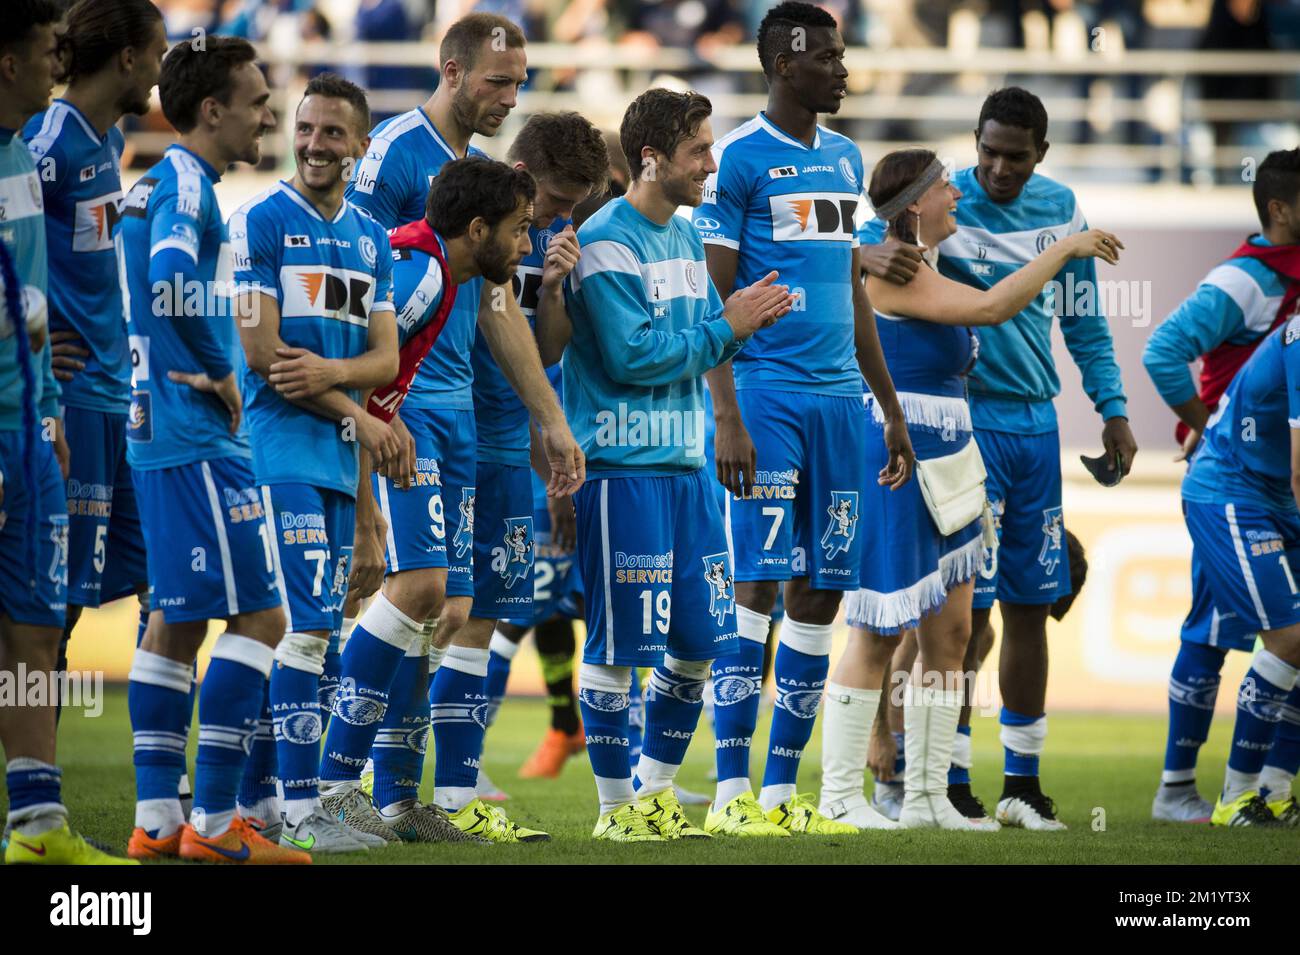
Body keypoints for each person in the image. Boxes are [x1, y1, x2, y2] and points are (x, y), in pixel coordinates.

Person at [861, 85, 1138, 830]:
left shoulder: (1061, 208)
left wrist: (1112, 408)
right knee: (950, 619)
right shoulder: (939, 199)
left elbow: (1084, 325)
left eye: (1015, 156)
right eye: (986, 151)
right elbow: (855, 243)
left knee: (1029, 605)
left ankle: (1022, 782)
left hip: (1035, 429)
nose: (997, 167)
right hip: (963, 423)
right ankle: (938, 777)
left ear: (1041, 154)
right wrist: (864, 246)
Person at [339, 13, 584, 843]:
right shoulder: (396, 155)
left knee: (453, 604)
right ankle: (322, 785)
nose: (510, 98)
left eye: (520, 83)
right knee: (414, 596)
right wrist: (368, 415)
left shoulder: (480, 176)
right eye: (497, 82)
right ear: (450, 71)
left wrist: (548, 417)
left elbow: (493, 307)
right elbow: (362, 284)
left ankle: (406, 797)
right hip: (402, 412)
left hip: (466, 420)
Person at [695, 1, 913, 836]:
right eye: (827, 56)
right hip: (766, 396)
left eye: (841, 53)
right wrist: (726, 412)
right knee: (756, 584)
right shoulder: (740, 162)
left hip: (837, 406)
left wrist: (886, 409)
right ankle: (728, 792)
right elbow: (719, 299)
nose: (843, 68)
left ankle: (782, 796)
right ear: (785, 65)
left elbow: (854, 291)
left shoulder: (846, 156)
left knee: (820, 591)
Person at [565, 87, 794, 842]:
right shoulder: (606, 239)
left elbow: (699, 341)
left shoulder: (689, 236)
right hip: (622, 465)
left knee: (701, 639)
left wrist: (732, 328)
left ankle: (654, 793)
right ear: (653, 158)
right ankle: (612, 811)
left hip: (687, 467)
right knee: (617, 647)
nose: (712, 162)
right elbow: (633, 357)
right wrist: (728, 326)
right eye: (699, 148)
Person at [119, 36, 307, 863]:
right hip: (197, 435)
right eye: (259, 100)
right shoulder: (186, 185)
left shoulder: (155, 184)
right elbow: (165, 280)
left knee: (173, 623)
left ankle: (159, 821)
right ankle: (216, 824)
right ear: (211, 111)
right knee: (263, 615)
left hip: (157, 432)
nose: (269, 113)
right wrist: (213, 368)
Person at [229, 73, 407, 854]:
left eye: (332, 133)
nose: (313, 145)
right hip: (276, 452)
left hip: (338, 463)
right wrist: (357, 416)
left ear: (361, 145)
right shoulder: (257, 223)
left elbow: (385, 358)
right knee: (301, 634)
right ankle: (304, 813)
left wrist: (342, 395)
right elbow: (264, 356)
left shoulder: (372, 239)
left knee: (321, 636)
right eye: (304, 129)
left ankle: (259, 806)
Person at [0, 0, 133, 866]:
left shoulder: (16, 152)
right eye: (43, 45)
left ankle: (38, 831)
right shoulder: (42, 148)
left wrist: (46, 404)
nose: (59, 55)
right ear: (7, 61)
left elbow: (36, 297)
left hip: (31, 423)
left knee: (34, 626)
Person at [1144, 148, 1300, 825]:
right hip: (1235, 476)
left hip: (1272, 475)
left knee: (1256, 632)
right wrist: (1207, 426)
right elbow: (1162, 351)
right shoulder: (1244, 280)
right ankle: (1184, 788)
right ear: (1280, 209)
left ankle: (1269, 786)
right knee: (1216, 631)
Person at [23, 0, 167, 725]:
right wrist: (32, 340)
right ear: (128, 58)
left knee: (163, 581)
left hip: (119, 396)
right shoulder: (47, 143)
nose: (165, 68)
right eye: (160, 52)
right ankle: (35, 795)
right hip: (73, 393)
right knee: (61, 602)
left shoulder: (107, 139)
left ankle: (165, 786)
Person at [470, 110, 606, 799]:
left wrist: (553, 286)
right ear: (524, 176)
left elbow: (549, 350)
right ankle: (447, 761)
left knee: (525, 604)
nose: (562, 215)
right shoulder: (478, 221)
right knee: (496, 605)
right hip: (493, 440)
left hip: (540, 439)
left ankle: (566, 737)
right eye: (557, 200)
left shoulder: (559, 236)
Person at [1180, 313, 1300, 827]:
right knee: (1289, 640)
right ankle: (1235, 795)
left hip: (1271, 496)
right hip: (1232, 495)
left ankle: (1274, 789)